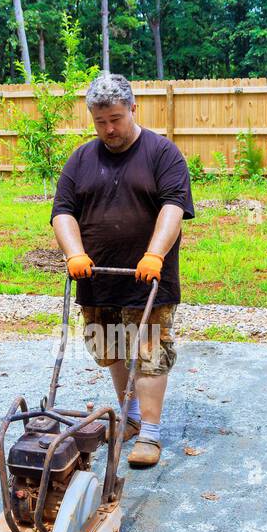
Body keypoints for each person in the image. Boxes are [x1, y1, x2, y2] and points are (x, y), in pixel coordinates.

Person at [50, 72, 196, 468]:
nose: (109, 129)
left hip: (147, 277)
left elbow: (173, 208)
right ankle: (129, 418)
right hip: (96, 277)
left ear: (134, 108)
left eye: (116, 118)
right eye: (100, 122)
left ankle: (149, 433)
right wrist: (73, 253)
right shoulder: (81, 158)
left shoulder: (162, 153)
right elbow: (63, 211)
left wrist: (154, 254)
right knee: (110, 348)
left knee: (149, 351)